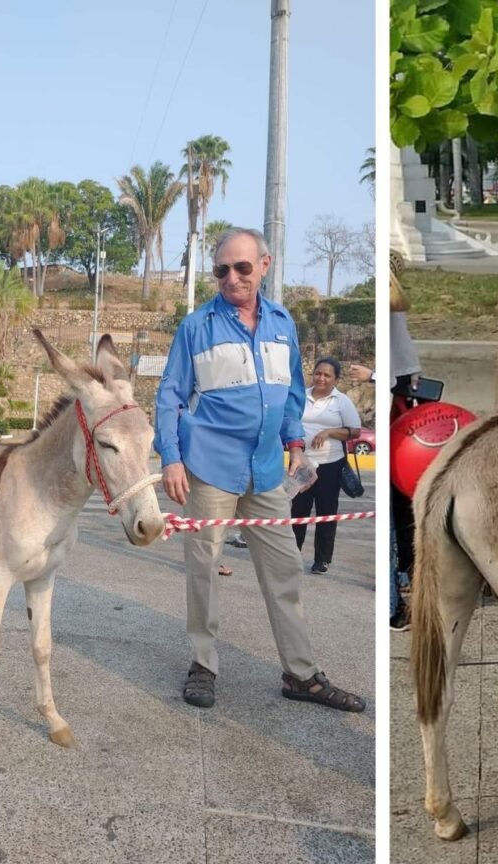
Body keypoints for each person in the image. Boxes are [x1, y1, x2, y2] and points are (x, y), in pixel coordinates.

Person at [155, 227, 365, 713]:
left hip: (268, 466)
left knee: (285, 567)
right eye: (222, 269)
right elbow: (169, 395)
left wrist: (295, 445)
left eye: (242, 267)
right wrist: (170, 457)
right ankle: (203, 665)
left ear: (264, 266)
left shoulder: (282, 322)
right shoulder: (196, 327)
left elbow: (292, 390)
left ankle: (301, 673)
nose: (232, 277)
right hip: (209, 465)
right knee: (205, 567)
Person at [292, 357, 362, 574]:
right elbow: (289, 421)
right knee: (298, 511)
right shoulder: (300, 396)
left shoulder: (341, 401)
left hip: (330, 464)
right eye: (318, 373)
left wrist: (329, 432)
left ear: (335, 379)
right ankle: (292, 555)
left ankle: (322, 559)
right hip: (302, 462)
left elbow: (355, 431)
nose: (321, 378)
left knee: (326, 511)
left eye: (327, 375)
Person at [388, 249, 421, 632]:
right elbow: (409, 371)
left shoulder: (394, 306)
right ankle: (397, 598)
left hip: (396, 417)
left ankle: (399, 592)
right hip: (398, 418)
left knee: (398, 514)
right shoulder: (395, 307)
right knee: (399, 512)